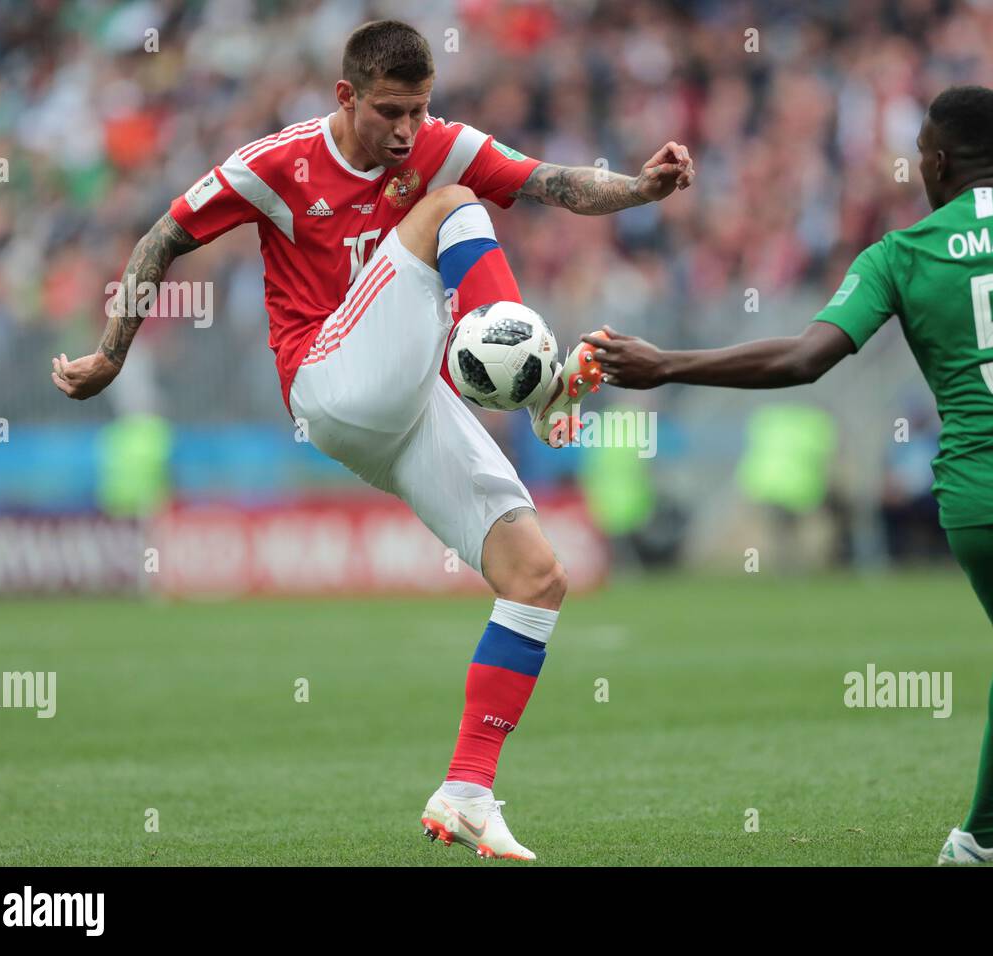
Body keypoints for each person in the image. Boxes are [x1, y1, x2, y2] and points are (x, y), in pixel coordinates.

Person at [50, 19, 694, 861]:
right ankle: (535, 379)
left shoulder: (437, 142)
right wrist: (111, 350)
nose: (406, 131)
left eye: (419, 112)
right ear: (346, 96)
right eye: (390, 111)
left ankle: (466, 790)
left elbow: (554, 184)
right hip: (326, 381)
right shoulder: (277, 165)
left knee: (537, 578)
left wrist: (643, 190)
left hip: (403, 406)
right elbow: (161, 238)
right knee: (453, 208)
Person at [587, 85, 993, 863]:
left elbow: (806, 359)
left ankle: (981, 835)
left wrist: (667, 364)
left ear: (934, 162)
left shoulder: (898, 254)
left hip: (972, 509)